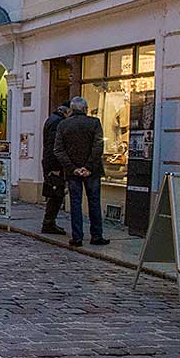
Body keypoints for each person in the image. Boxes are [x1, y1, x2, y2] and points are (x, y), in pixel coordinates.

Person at [54, 96, 110, 248]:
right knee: (94, 202)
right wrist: (89, 167)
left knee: (75, 203)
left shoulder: (63, 125)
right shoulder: (94, 123)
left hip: (74, 172)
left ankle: (77, 237)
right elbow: (98, 147)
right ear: (85, 109)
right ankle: (96, 235)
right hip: (92, 172)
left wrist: (73, 168)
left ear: (71, 109)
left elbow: (58, 150)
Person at [40, 104, 71, 235]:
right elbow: (54, 146)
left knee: (54, 194)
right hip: (53, 164)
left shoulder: (52, 119)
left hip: (50, 162)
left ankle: (49, 222)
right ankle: (48, 223)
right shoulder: (57, 122)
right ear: (67, 111)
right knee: (56, 194)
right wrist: (55, 167)